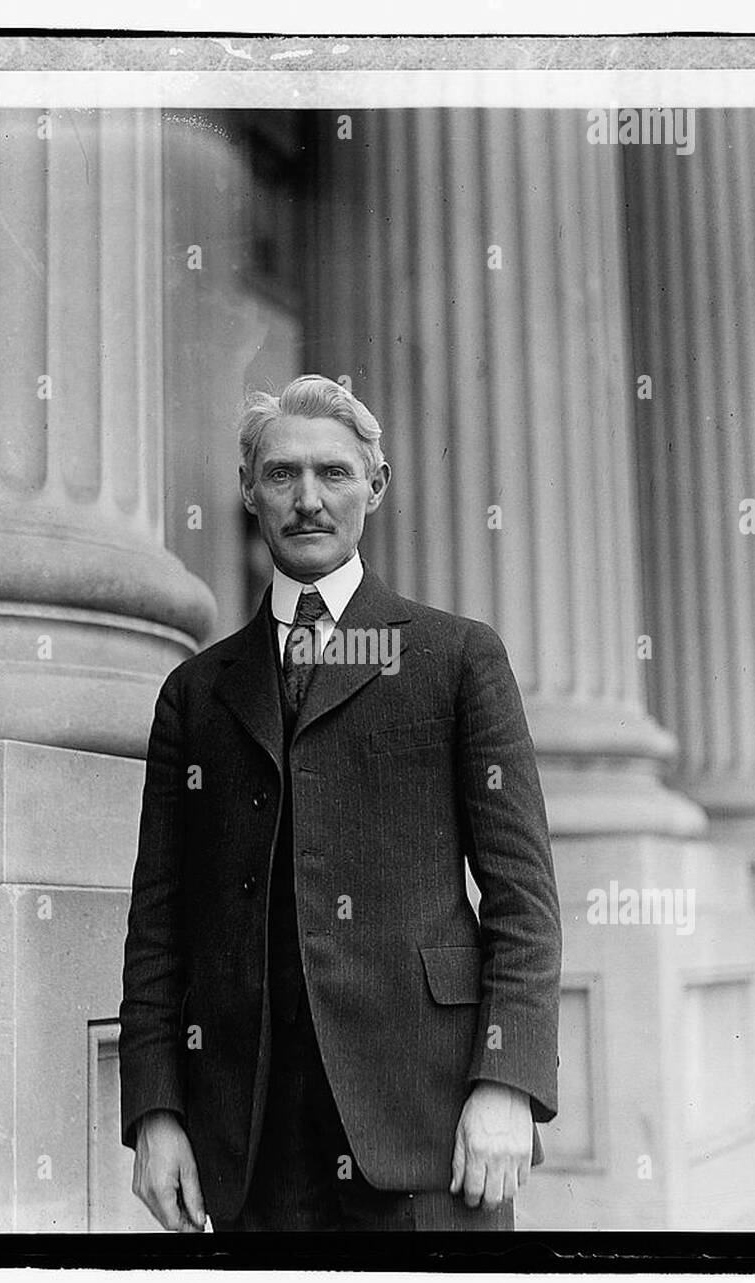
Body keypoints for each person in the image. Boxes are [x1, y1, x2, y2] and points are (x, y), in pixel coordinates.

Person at [118, 374, 561, 1232]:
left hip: (430, 1122)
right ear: (248, 492)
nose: (307, 500)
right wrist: (156, 1111)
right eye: (281, 475)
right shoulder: (197, 693)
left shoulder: (455, 658)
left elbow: (522, 896)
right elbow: (159, 922)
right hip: (249, 1139)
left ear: (376, 487)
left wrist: (506, 1084)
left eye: (333, 474)